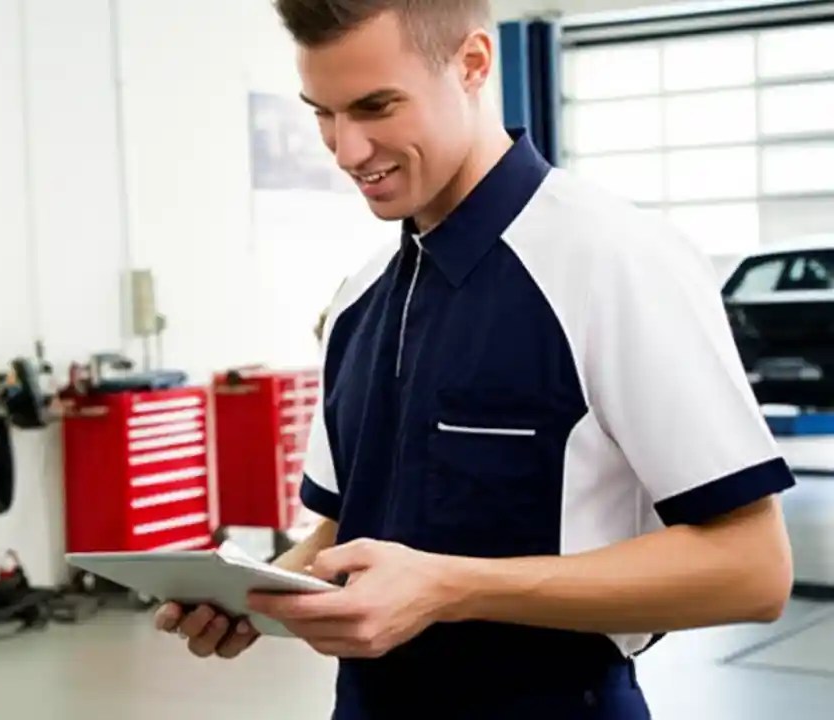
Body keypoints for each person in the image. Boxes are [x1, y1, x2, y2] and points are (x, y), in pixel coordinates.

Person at [155, 2, 796, 718]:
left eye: (376, 107)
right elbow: (343, 534)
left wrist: (449, 588)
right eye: (323, 114)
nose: (346, 151)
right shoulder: (357, 301)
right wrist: (254, 593)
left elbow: (752, 569)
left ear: (473, 64)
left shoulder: (617, 263)